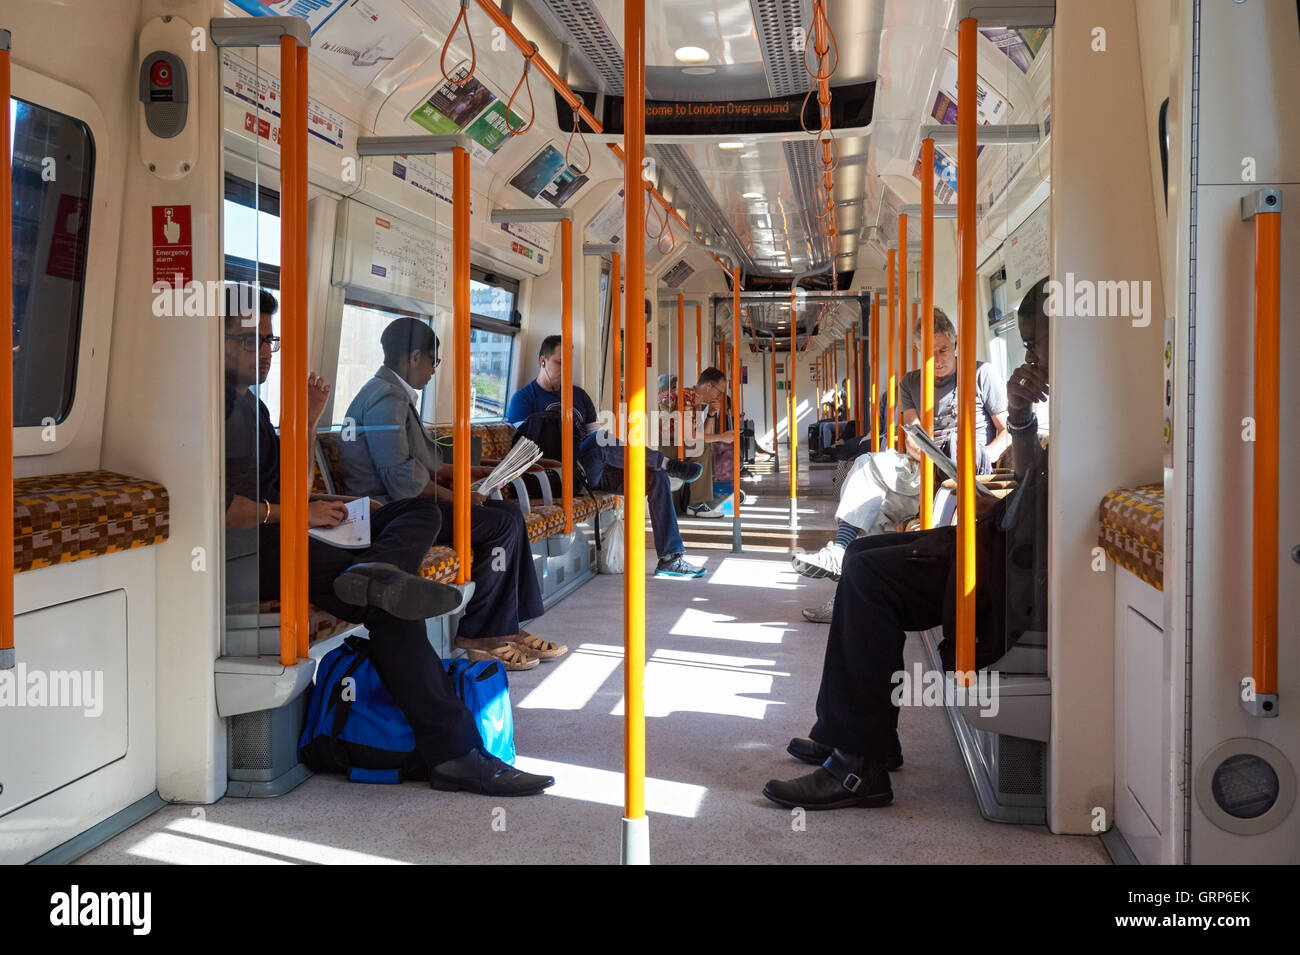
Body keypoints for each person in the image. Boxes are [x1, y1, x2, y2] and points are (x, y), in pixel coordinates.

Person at [223, 285, 553, 797]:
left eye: (270, 341)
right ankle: (454, 752)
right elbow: (225, 512)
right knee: (389, 605)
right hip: (256, 550)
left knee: (416, 513)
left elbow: (285, 477)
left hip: (293, 527)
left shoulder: (253, 409)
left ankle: (378, 573)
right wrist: (299, 511)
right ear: (214, 341)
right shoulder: (206, 414)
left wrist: (309, 417)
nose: (264, 352)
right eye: (251, 341)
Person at [762, 277, 1051, 811]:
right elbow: (1036, 489)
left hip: (1013, 561)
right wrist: (1022, 421)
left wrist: (1004, 449)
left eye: (1035, 344)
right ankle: (852, 737)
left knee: (870, 575)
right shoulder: (938, 386)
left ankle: (859, 767)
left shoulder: (1086, 402)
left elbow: (1047, 499)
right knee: (864, 556)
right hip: (1002, 529)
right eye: (1026, 344)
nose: (1027, 356)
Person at [340, 317, 565, 672]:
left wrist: (476, 475)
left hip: (406, 505)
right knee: (498, 525)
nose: (432, 371)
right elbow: (402, 479)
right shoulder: (386, 398)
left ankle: (506, 626)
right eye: (433, 361)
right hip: (392, 514)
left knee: (507, 514)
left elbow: (423, 459)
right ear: (415, 357)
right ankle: (478, 633)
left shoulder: (394, 393)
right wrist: (458, 500)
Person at [794, 308, 1010, 622]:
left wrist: (982, 457)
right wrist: (921, 448)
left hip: (969, 473)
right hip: (924, 469)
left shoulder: (981, 374)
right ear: (918, 351)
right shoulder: (910, 383)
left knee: (876, 508)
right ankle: (842, 563)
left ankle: (845, 589)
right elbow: (913, 439)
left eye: (944, 350)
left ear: (956, 343)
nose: (939, 359)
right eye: (930, 352)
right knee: (868, 471)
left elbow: (1007, 433)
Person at [506, 335, 708, 578]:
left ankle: (669, 558)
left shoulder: (579, 397)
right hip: (554, 474)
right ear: (543, 361)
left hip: (590, 470)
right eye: (560, 363)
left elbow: (596, 439)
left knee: (656, 478)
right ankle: (667, 463)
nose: (565, 370)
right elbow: (523, 452)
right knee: (600, 441)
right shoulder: (524, 399)